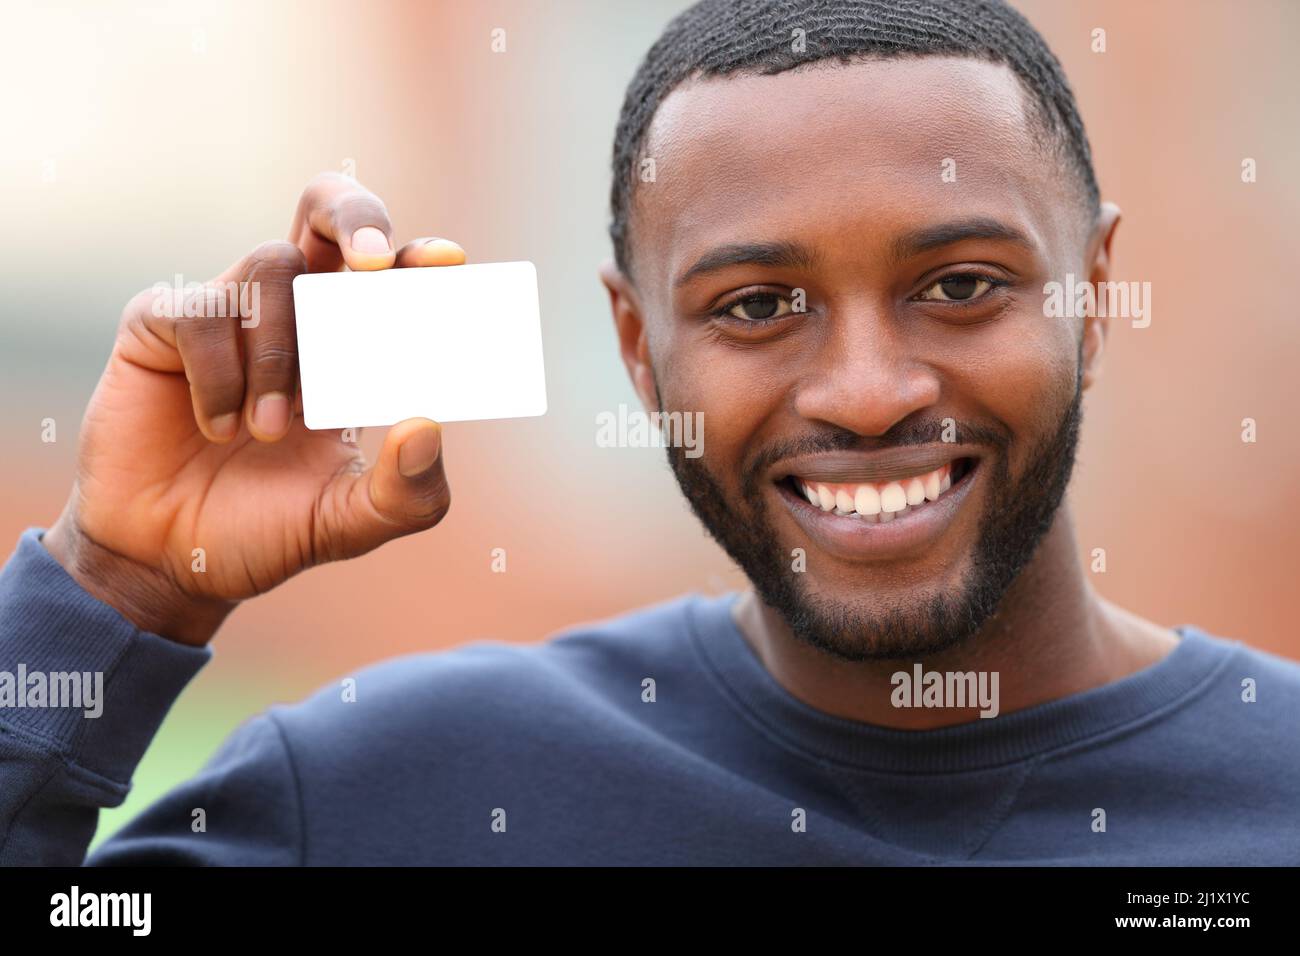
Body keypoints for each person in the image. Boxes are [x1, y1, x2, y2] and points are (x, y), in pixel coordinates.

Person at [2, 0, 1296, 866]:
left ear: (1094, 289)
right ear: (636, 345)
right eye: (756, 306)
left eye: (960, 285)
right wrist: (115, 589)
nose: (864, 389)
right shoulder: (396, 793)